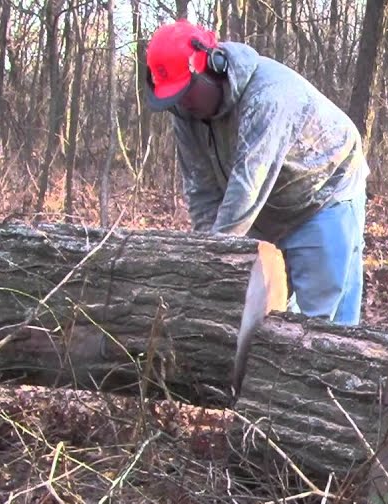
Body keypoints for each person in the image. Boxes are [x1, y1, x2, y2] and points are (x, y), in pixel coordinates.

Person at [143, 20, 369, 327]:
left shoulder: (268, 96)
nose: (182, 102)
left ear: (214, 66)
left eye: (187, 91)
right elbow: (201, 190)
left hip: (324, 192)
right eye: (174, 95)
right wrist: (205, 256)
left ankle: (338, 369)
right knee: (269, 316)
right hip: (264, 207)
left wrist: (213, 264)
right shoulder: (185, 114)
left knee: (324, 323)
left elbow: (247, 187)